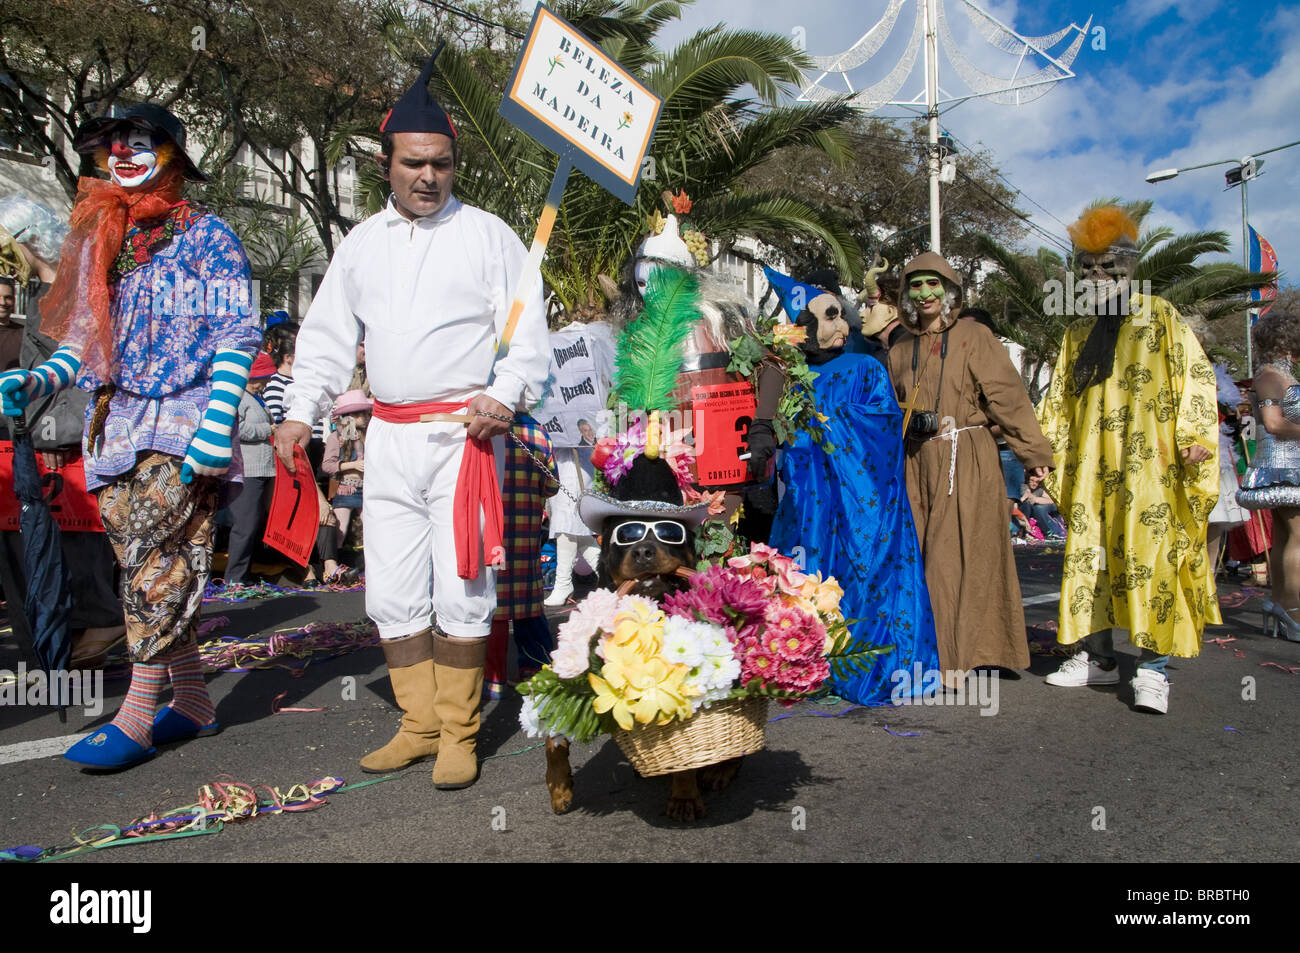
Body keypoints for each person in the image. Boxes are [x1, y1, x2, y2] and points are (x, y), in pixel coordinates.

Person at [274, 52, 548, 789]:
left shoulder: (491, 236)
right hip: (386, 438)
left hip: (466, 437)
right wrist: (301, 411)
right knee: (388, 590)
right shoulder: (360, 243)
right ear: (385, 163)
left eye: (442, 165)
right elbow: (327, 336)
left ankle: (459, 731)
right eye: (414, 164)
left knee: (462, 587)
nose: (429, 177)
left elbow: (528, 342)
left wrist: (507, 391)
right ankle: (418, 724)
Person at [0, 103, 259, 766]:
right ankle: (195, 699)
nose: (123, 152)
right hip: (113, 428)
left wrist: (214, 424)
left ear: (169, 151)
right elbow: (86, 340)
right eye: (113, 143)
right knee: (151, 563)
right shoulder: (103, 239)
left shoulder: (208, 235)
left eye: (138, 141)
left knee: (151, 561)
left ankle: (139, 713)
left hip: (181, 424)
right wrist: (39, 381)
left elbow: (237, 334)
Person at [1037, 205, 1220, 712]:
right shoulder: (1076, 334)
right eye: (1088, 267)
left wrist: (1193, 434)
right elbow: (1057, 404)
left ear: (1132, 266)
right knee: (1090, 560)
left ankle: (1154, 670)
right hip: (1092, 471)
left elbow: (1195, 379)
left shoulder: (1161, 316)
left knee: (1151, 562)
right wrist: (1045, 454)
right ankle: (1097, 659)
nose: (1098, 276)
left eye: (1109, 266)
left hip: (1151, 472)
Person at [767, 269, 940, 705]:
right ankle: (806, 663)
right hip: (808, 500)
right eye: (830, 317)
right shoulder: (788, 375)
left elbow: (882, 428)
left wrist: (828, 427)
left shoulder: (863, 366)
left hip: (861, 498)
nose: (843, 325)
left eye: (842, 315)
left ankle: (866, 659)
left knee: (865, 569)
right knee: (805, 571)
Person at [885, 252, 1054, 682]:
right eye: (916, 285)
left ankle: (958, 658)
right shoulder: (900, 347)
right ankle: (930, 648)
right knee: (922, 554)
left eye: (933, 284)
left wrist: (1033, 454)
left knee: (963, 554)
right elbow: (889, 408)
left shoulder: (975, 336)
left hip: (967, 455)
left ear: (950, 290)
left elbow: (1008, 396)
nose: (925, 293)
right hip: (916, 460)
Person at [1236, 311, 1300, 641]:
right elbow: (1273, 423)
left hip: (1290, 467)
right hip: (1282, 469)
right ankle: (1290, 609)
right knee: (1296, 538)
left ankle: (1281, 605)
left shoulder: (1278, 376)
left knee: (1288, 538)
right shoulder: (1270, 378)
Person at [486, 415, 558, 697]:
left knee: (491, 602)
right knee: (528, 600)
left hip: (490, 530)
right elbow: (551, 485)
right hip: (525, 531)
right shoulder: (537, 432)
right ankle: (534, 668)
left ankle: (493, 678)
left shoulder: (480, 426)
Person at [223, 352, 278, 587]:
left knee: (255, 523)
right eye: (261, 379)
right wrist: (268, 428)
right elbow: (239, 429)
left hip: (264, 468)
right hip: (248, 468)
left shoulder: (258, 398)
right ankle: (234, 578)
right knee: (244, 525)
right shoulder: (239, 398)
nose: (263, 384)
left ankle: (245, 573)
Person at [320, 388, 371, 584]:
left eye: (366, 413)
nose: (365, 417)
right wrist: (352, 465)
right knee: (340, 530)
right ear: (349, 416)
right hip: (345, 487)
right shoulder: (338, 437)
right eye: (360, 414)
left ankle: (370, 569)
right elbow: (327, 465)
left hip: (367, 487)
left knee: (370, 528)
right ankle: (332, 568)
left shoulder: (370, 435)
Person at [1019, 472, 1063, 538]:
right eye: (1032, 481)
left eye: (1037, 482)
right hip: (1023, 512)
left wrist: (1036, 499)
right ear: (1028, 481)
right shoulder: (1024, 487)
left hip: (1034, 511)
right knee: (1034, 508)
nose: (1034, 484)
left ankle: (1053, 531)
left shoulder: (1039, 490)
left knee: (1040, 508)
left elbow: (1053, 500)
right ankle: (1046, 532)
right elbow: (1029, 497)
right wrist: (1034, 498)